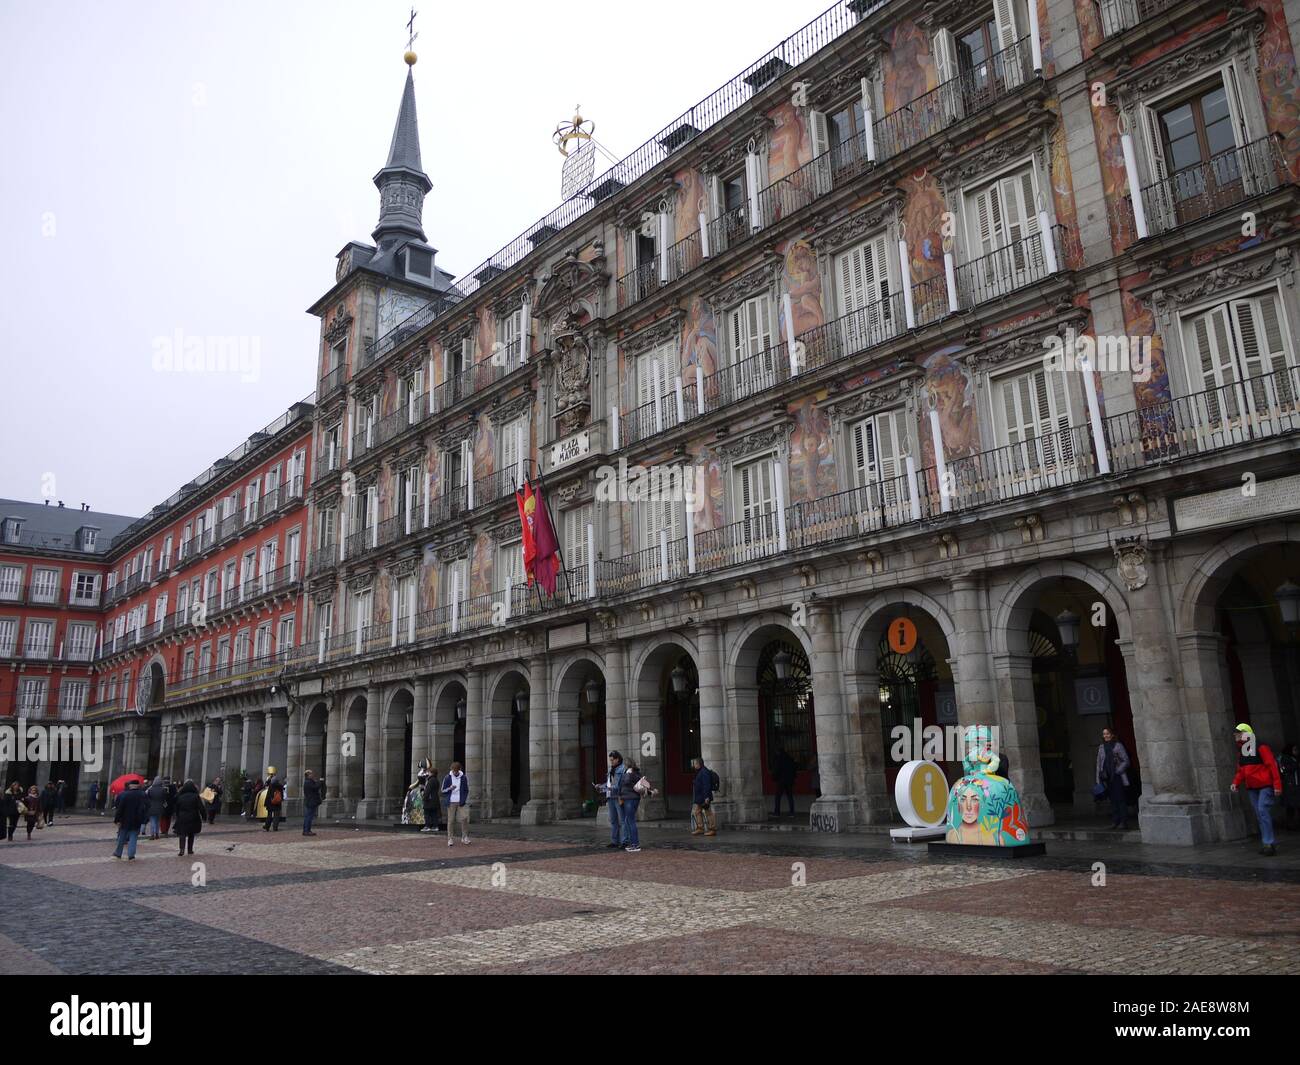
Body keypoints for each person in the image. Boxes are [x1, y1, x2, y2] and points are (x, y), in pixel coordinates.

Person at [1230, 723, 1283, 856]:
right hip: (1252, 787)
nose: (1236, 736)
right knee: (1260, 814)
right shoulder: (1243, 750)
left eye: (1238, 733)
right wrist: (1236, 783)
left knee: (1262, 810)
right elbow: (1242, 770)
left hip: (1265, 785)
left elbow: (1272, 765)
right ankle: (1267, 843)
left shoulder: (1261, 746)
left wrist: (1277, 785)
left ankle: (1268, 842)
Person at [1096, 726, 1132, 829]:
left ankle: (1123, 821)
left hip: (1117, 777)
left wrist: (1118, 771)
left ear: (1112, 735)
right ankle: (1115, 821)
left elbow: (1126, 761)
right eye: (1104, 734)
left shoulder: (1118, 745)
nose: (1105, 736)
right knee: (1112, 800)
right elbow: (1098, 764)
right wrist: (1098, 779)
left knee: (1120, 799)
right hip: (1106, 777)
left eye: (1107, 733)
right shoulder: (1101, 747)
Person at [112, 779, 149, 860]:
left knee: (122, 837)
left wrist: (117, 819)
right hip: (137, 819)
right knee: (133, 837)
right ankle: (131, 854)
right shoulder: (143, 794)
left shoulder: (125, 794)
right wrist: (145, 818)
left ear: (130, 785)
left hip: (125, 819)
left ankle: (118, 853)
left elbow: (120, 808)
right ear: (138, 785)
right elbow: (147, 807)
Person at [172, 779, 205, 857]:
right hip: (193, 816)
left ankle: (182, 849)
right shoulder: (195, 796)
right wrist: (204, 816)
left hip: (182, 816)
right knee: (191, 833)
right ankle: (190, 849)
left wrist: (177, 815)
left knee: (182, 834)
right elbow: (201, 807)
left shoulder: (180, 796)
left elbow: (176, 807)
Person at [601, 751, 626, 850]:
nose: (611, 762)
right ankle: (614, 841)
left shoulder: (622, 769)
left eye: (612, 760)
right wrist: (601, 786)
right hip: (610, 796)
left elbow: (619, 784)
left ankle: (624, 841)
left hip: (618, 796)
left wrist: (611, 788)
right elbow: (609, 783)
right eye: (610, 760)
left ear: (617, 759)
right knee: (613, 820)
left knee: (622, 820)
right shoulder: (611, 769)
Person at [441, 762, 469, 847]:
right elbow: (443, 790)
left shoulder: (463, 777)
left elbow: (466, 790)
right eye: (453, 771)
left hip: (461, 801)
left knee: (464, 818)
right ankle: (450, 838)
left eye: (456, 771)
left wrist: (463, 799)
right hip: (451, 801)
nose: (454, 772)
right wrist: (450, 788)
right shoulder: (447, 777)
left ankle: (464, 837)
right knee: (451, 820)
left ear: (459, 770)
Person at [619, 760, 643, 853]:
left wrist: (627, 774)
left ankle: (635, 844)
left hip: (630, 799)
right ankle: (633, 843)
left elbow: (626, 782)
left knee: (631, 821)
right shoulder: (637, 773)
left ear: (627, 765)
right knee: (628, 821)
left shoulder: (629, 773)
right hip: (633, 798)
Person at [691, 757, 717, 837]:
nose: (694, 765)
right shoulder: (700, 772)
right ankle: (700, 828)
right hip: (700, 797)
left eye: (695, 764)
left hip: (704, 797)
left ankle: (712, 829)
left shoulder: (704, 772)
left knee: (708, 813)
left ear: (698, 764)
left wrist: (706, 797)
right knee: (697, 812)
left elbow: (706, 785)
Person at [1278, 743, 1300, 832]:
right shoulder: (1285, 758)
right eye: (1294, 750)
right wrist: (1296, 765)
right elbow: (1284, 770)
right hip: (1290, 787)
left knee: (1293, 806)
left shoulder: (1294, 758)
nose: (1296, 752)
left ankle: (1291, 824)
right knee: (1291, 806)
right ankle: (1290, 825)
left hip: (1295, 786)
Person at [771, 745, 796, 817]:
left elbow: (776, 769)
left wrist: (774, 777)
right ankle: (792, 812)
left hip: (781, 780)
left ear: (777, 751)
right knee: (790, 796)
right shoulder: (789, 758)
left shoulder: (778, 759)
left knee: (778, 796)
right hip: (789, 780)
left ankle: (777, 812)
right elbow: (794, 768)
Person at [302, 770, 323, 836]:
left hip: (310, 801)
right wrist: (320, 782)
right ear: (308, 775)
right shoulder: (308, 782)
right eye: (311, 774)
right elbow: (315, 788)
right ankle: (307, 831)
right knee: (309, 817)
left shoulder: (308, 781)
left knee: (308, 816)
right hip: (311, 801)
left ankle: (306, 830)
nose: (312, 775)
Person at [420, 764, 440, 834]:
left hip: (429, 800)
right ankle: (435, 826)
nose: (427, 773)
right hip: (435, 799)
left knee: (427, 813)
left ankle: (427, 826)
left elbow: (428, 791)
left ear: (432, 773)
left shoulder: (430, 780)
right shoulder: (436, 780)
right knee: (434, 814)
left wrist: (424, 797)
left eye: (428, 772)